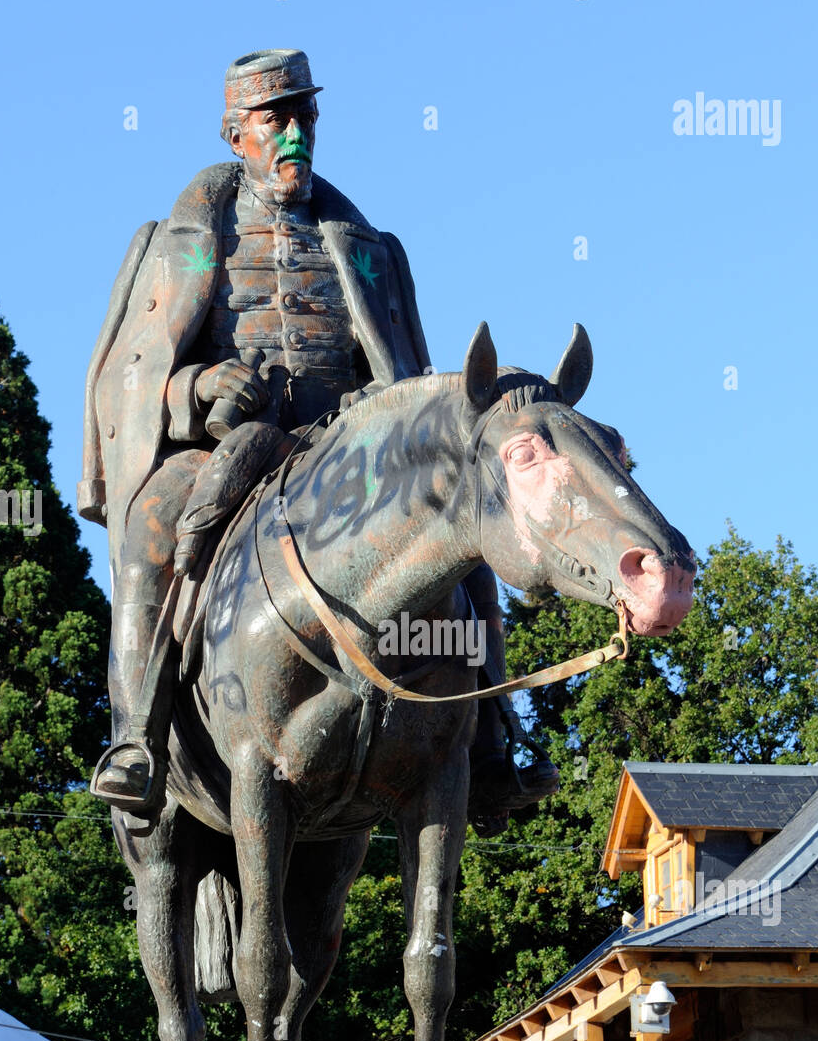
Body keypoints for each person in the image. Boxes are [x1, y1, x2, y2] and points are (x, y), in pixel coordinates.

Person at [80, 49, 558, 829]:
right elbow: (135, 377)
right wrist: (196, 390)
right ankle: (138, 740)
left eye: (305, 116)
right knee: (153, 533)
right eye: (276, 119)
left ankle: (490, 740)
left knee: (467, 530)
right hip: (227, 444)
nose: (295, 133)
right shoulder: (184, 239)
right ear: (237, 133)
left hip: (346, 453)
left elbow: (404, 372)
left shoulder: (366, 246)